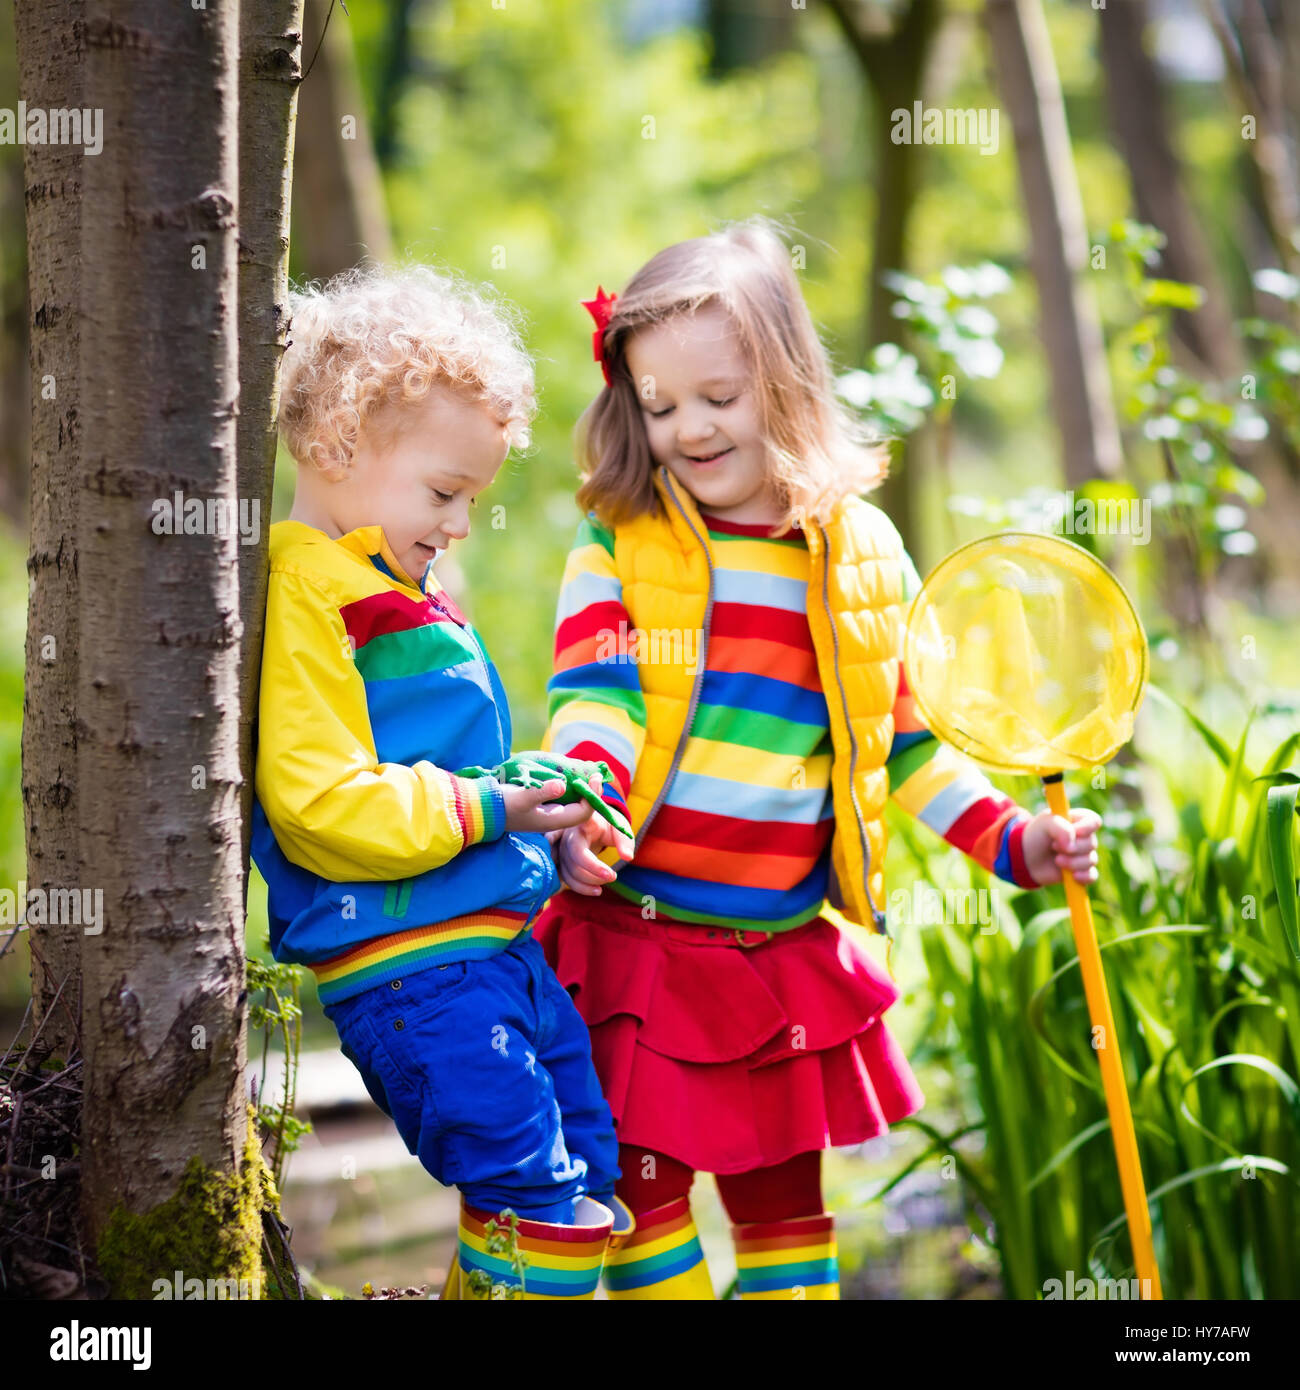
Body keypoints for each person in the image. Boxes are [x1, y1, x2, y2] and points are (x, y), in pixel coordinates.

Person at [536, 220, 1101, 1300]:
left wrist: (1014, 841)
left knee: (787, 1211)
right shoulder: (620, 542)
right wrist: (582, 809)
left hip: (780, 955)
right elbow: (591, 701)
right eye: (657, 407)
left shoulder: (860, 557)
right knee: (637, 1197)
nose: (688, 429)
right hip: (639, 948)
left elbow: (905, 746)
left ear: (786, 382)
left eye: (717, 397)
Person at [251, 263, 634, 1300]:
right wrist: (489, 808)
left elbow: (445, 774)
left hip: (494, 956)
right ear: (337, 441)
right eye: (445, 492)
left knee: (588, 1171)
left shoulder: (391, 586)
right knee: (533, 1194)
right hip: (415, 973)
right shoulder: (309, 595)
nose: (461, 523)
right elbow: (321, 803)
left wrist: (538, 816)